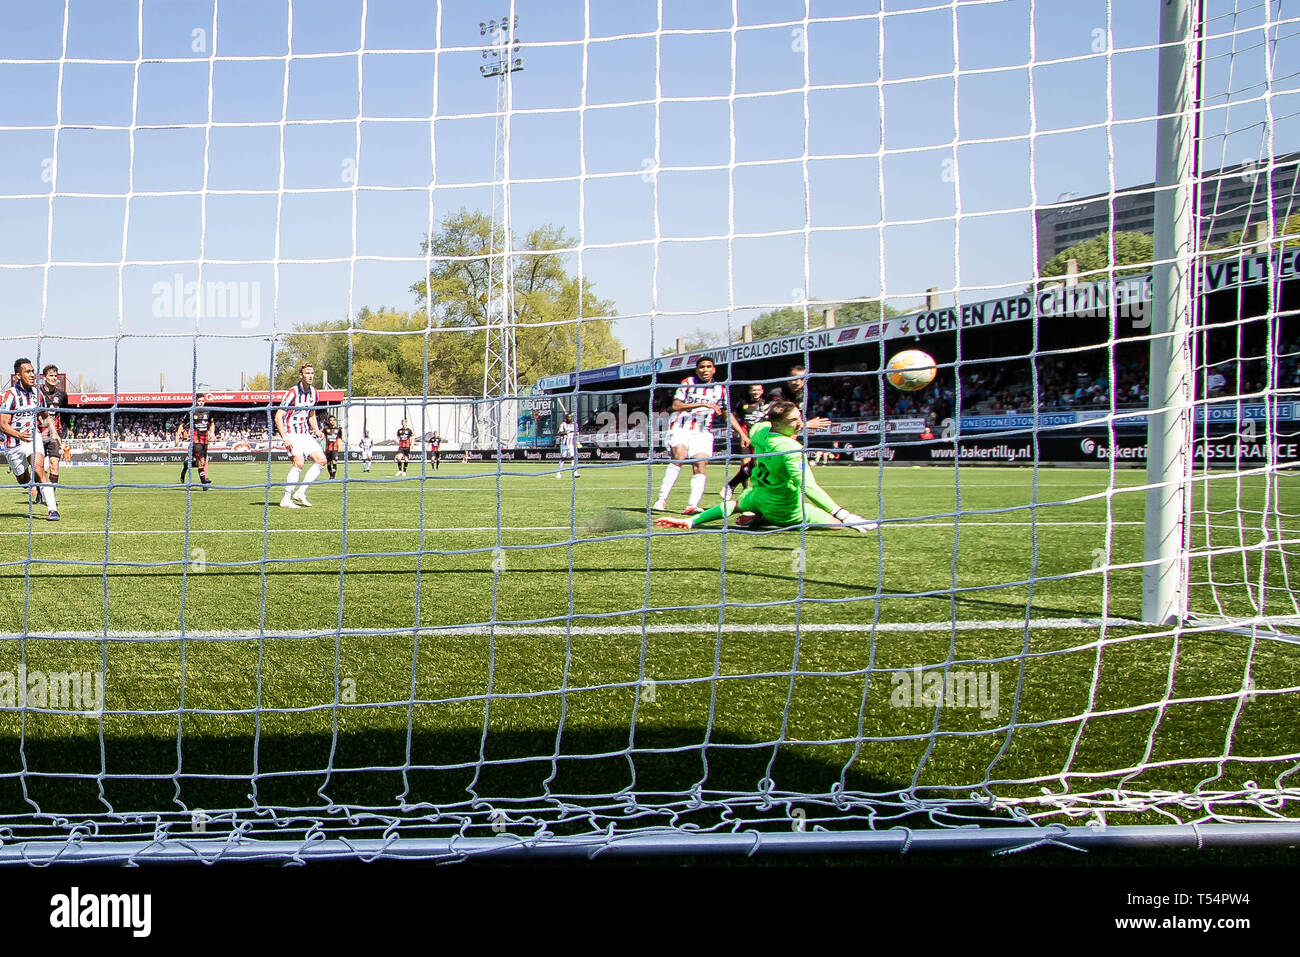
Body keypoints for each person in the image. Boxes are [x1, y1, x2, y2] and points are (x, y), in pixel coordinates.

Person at [655, 400, 873, 534]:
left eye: (800, 418)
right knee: (834, 524)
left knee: (735, 504)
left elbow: (769, 427)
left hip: (756, 496)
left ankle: (694, 521)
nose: (800, 423)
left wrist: (691, 521)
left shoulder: (759, 430)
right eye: (795, 420)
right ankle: (766, 518)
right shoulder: (791, 448)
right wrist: (842, 514)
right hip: (785, 509)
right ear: (779, 423)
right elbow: (809, 486)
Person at [652, 357, 747, 515]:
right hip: (681, 427)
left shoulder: (720, 389)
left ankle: (692, 505)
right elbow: (676, 405)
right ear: (697, 370)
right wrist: (703, 404)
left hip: (702, 432)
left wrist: (742, 434)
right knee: (679, 458)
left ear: (714, 369)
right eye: (702, 367)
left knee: (701, 464)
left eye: (708, 367)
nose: (705, 370)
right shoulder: (688, 382)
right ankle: (661, 499)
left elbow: (726, 414)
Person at [0, 358, 59, 520]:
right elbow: (2, 425)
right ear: (18, 375)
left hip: (33, 438)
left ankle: (52, 510)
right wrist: (19, 435)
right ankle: (28, 478)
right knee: (23, 480)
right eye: (28, 371)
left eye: (33, 371)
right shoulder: (9, 395)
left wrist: (53, 432)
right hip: (13, 444)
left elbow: (45, 415)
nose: (33, 374)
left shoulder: (37, 393)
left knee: (40, 470)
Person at [274, 363, 326, 508]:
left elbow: (312, 415)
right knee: (299, 463)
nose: (310, 376)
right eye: (307, 373)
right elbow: (279, 416)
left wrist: (316, 430)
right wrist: (285, 437)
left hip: (305, 434)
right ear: (301, 375)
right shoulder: (292, 393)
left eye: (312, 373)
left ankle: (301, 492)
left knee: (321, 460)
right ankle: (286, 498)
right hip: (292, 433)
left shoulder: (314, 393)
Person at [723, 382, 768, 500]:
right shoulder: (742, 403)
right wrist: (739, 431)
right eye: (753, 390)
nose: (756, 392)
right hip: (746, 437)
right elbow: (733, 416)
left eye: (758, 390)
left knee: (754, 464)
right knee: (746, 462)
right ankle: (745, 487)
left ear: (762, 391)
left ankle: (733, 485)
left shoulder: (766, 404)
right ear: (750, 391)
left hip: (760, 438)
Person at [38, 364, 70, 493]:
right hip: (39, 434)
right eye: (50, 375)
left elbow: (66, 414)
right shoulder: (37, 393)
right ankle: (40, 494)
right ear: (44, 377)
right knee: (38, 467)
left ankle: (51, 495)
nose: (53, 378)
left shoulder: (62, 395)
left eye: (55, 376)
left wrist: (68, 430)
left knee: (54, 464)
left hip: (55, 434)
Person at [178, 394, 213, 490]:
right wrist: (177, 437)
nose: (201, 403)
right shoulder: (191, 411)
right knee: (201, 462)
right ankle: (204, 485)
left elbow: (211, 423)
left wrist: (212, 433)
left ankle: (187, 467)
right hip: (195, 439)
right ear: (195, 401)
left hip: (205, 439)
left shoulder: (208, 411)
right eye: (199, 401)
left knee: (202, 462)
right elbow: (182, 424)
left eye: (203, 401)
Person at [556, 414, 579, 479]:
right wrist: (567, 432)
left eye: (570, 417)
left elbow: (577, 433)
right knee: (563, 458)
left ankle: (574, 472)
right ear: (566, 418)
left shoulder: (575, 424)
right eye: (568, 417)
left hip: (572, 444)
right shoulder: (563, 424)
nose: (569, 419)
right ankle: (559, 472)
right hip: (564, 444)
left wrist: (577, 441)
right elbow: (559, 433)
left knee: (573, 457)